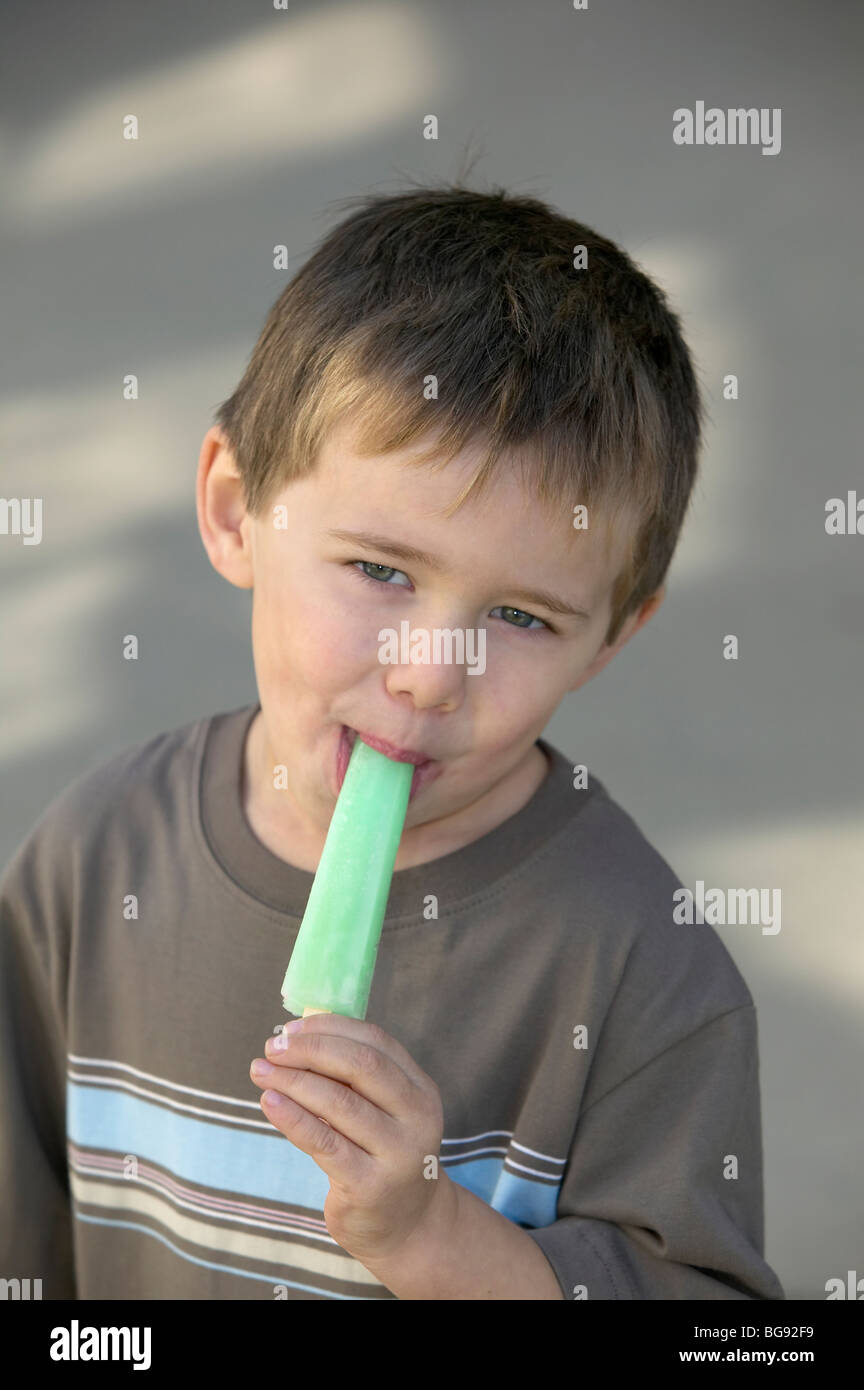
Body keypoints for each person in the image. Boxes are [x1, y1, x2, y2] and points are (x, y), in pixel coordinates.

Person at [0, 183, 785, 1300]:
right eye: (382, 570)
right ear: (235, 511)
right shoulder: (94, 860)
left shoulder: (643, 976)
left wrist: (433, 1239)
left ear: (611, 636)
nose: (429, 672)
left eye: (521, 617)